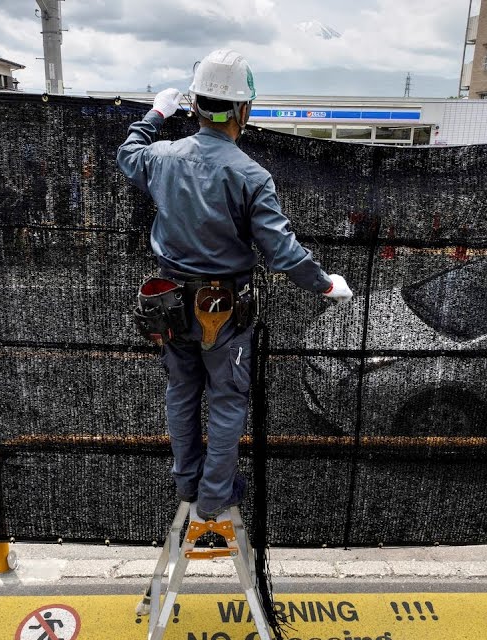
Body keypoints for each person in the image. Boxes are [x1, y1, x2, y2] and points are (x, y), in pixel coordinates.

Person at [117, 48, 352, 521]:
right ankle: (213, 497)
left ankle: (188, 483)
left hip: (169, 304)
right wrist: (326, 285)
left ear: (195, 105)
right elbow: (283, 252)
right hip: (222, 309)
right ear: (243, 110)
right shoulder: (250, 175)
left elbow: (128, 154)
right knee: (226, 402)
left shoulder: (162, 157)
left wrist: (156, 115)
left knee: (182, 392)